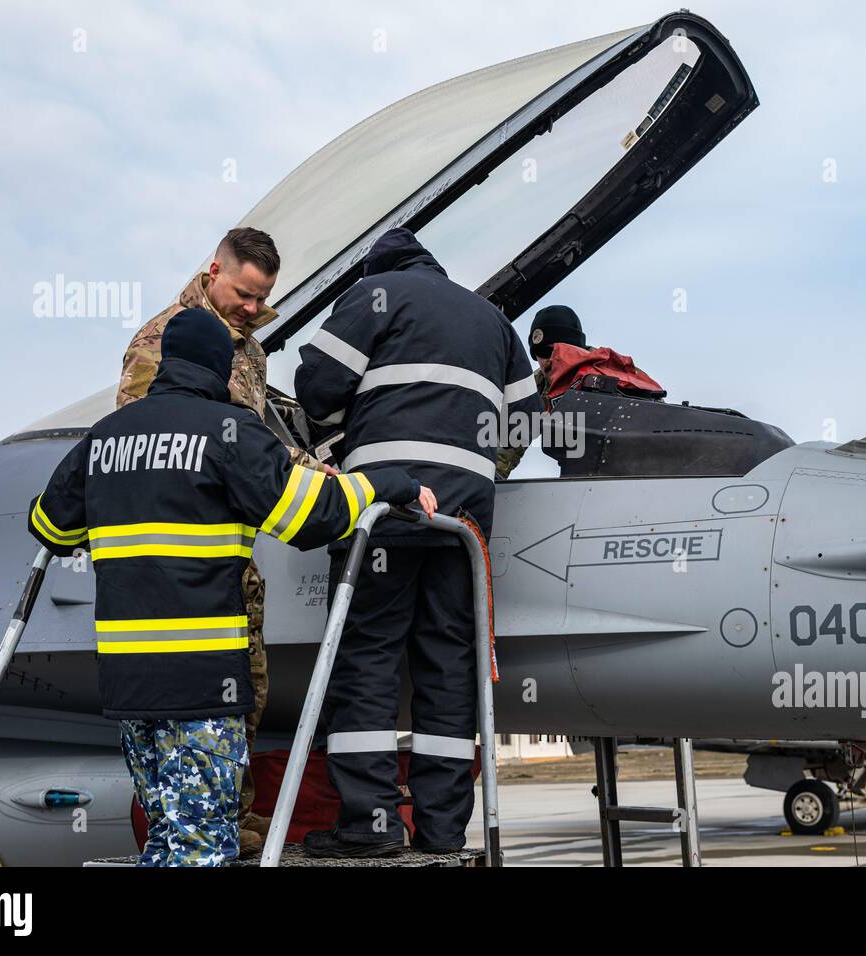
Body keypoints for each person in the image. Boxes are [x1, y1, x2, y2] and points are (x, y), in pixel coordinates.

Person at [28, 307, 434, 866]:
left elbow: (49, 525)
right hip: (201, 683)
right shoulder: (228, 432)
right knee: (202, 849)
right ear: (222, 369)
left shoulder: (103, 439)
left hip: (129, 684)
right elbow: (313, 517)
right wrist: (390, 482)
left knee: (168, 838)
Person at [293, 227, 541, 857]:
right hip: (466, 522)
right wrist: (481, 473)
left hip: (384, 504)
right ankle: (441, 831)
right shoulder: (494, 320)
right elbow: (527, 420)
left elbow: (317, 383)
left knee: (367, 654)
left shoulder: (375, 294)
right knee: (450, 664)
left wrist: (336, 447)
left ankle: (369, 825)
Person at [118, 226, 328, 855]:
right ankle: (194, 828)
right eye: (242, 294)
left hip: (231, 554)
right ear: (214, 271)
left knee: (247, 687)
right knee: (188, 704)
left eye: (261, 299)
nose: (251, 308)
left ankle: (231, 816)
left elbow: (258, 437)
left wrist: (316, 474)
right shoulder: (162, 340)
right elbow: (145, 441)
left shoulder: (250, 350)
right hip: (178, 560)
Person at [494, 304, 588, 479]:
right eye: (542, 352)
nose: (548, 361)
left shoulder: (610, 375)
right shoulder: (536, 387)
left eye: (556, 351)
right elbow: (505, 448)